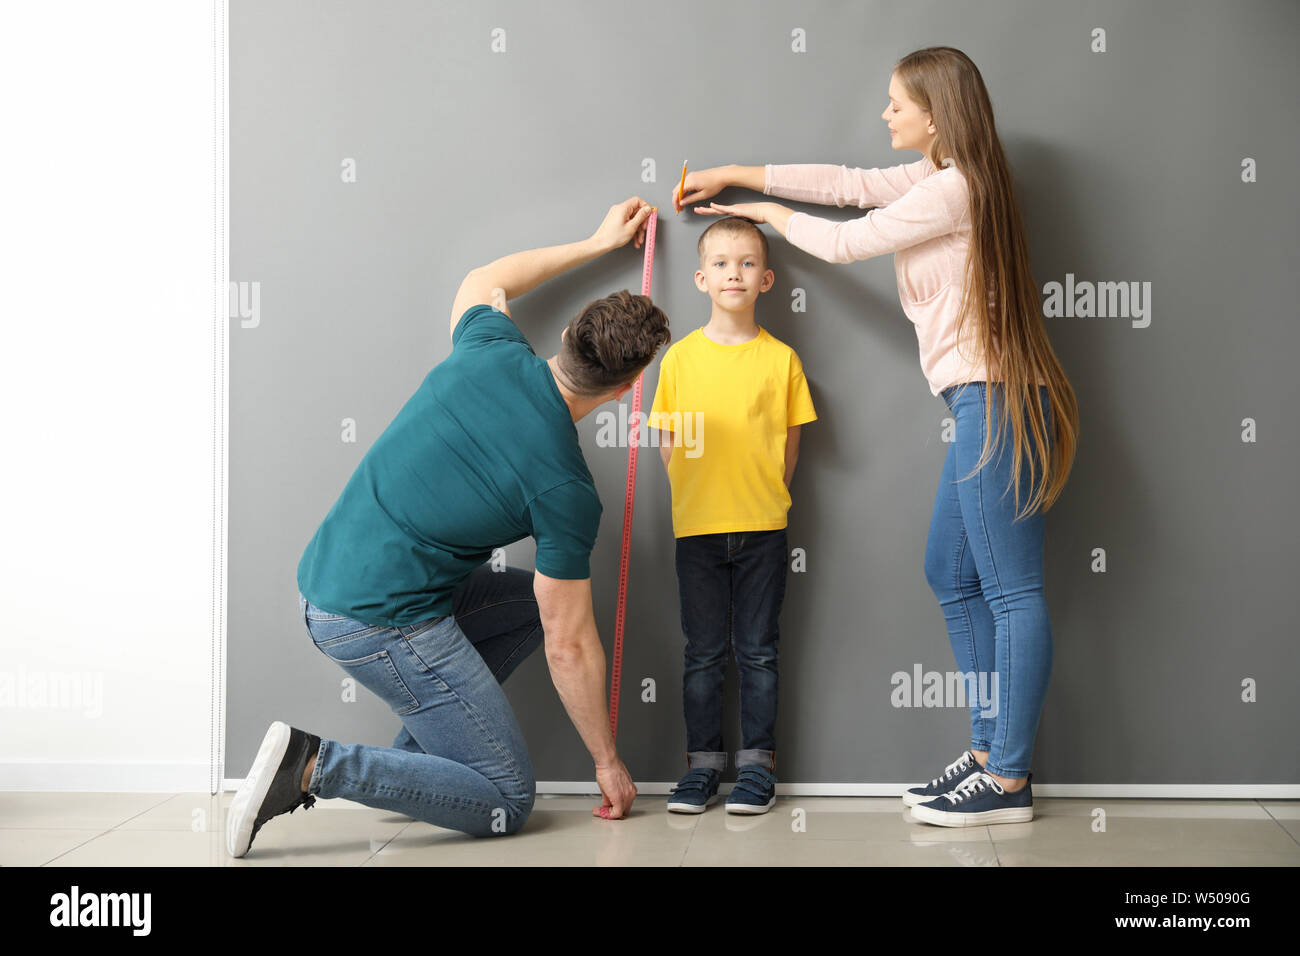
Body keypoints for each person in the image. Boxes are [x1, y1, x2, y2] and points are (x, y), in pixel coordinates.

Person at [674, 46, 1079, 826]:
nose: (886, 114)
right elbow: (848, 188)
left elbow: (847, 238)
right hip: (976, 399)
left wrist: (762, 217)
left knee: (1013, 589)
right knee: (950, 572)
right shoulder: (939, 178)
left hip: (998, 397)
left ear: (934, 113)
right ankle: (993, 752)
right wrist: (740, 176)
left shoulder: (959, 189)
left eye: (897, 103)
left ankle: (1009, 782)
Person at [227, 197, 670, 857]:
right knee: (505, 800)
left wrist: (596, 243)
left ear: (567, 335)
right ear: (621, 392)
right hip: (373, 617)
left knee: (527, 607)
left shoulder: (490, 344)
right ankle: (316, 765)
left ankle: (420, 771)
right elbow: (570, 646)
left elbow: (487, 277)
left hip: (328, 578)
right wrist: (607, 761)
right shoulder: (566, 491)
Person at [648, 216, 817, 815]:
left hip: (764, 529)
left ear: (766, 279)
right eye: (720, 263)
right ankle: (701, 768)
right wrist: (699, 496)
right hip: (696, 529)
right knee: (702, 653)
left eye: (747, 263)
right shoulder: (679, 361)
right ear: (700, 278)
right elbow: (669, 444)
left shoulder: (782, 360)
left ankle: (757, 768)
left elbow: (790, 445)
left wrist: (762, 498)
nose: (734, 273)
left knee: (759, 651)